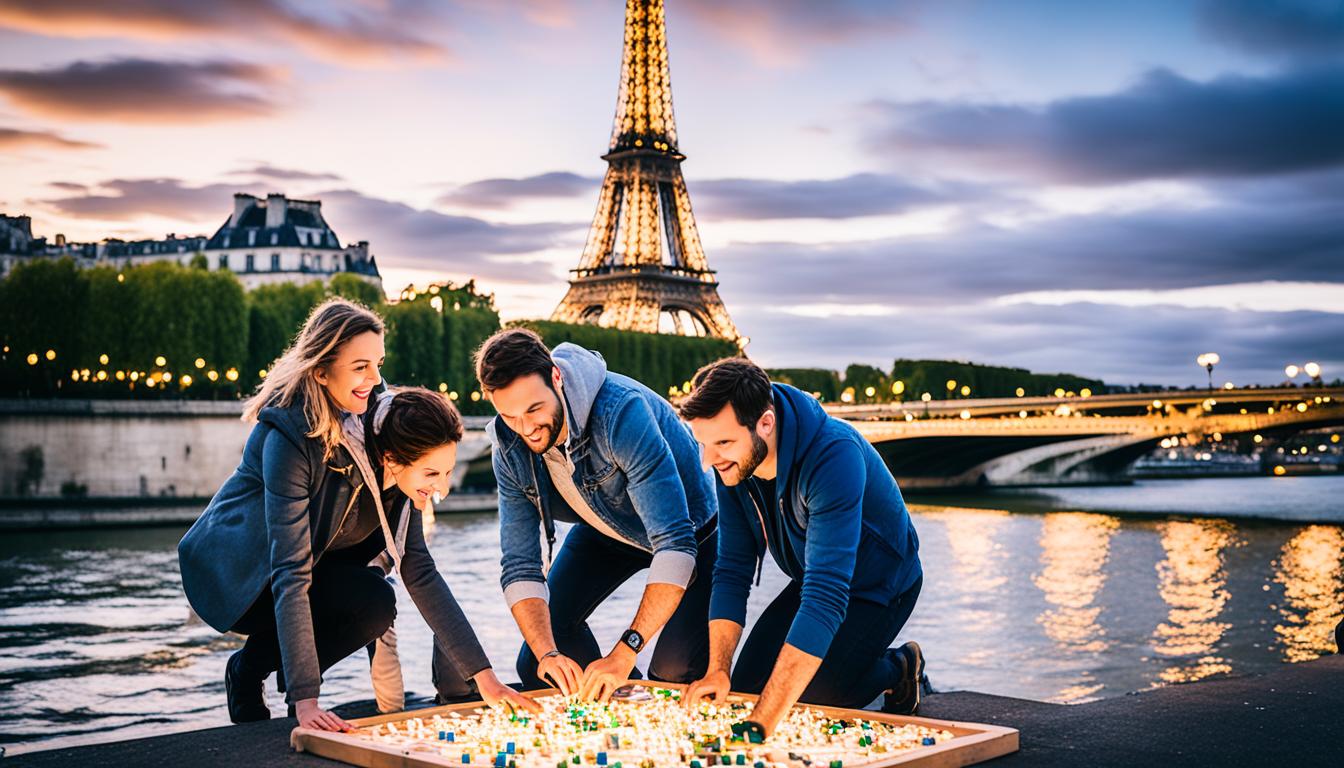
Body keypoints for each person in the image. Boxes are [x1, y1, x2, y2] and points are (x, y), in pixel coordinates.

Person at [178, 298, 537, 731]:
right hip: (242, 572)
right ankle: (249, 671)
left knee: (373, 602)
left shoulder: (388, 430)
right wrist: (308, 699)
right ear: (321, 369)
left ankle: (272, 675)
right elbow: (291, 572)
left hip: (315, 559)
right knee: (351, 597)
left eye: (378, 364)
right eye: (360, 366)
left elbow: (418, 570)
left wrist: (487, 679)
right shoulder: (290, 436)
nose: (375, 378)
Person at [678, 357, 925, 737]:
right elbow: (731, 570)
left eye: (723, 443)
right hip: (815, 577)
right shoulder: (733, 466)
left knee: (819, 695)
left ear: (765, 423)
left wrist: (761, 722)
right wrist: (718, 670)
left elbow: (826, 597)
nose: (709, 460)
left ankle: (900, 667)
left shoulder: (833, 456)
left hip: (882, 585)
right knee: (744, 688)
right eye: (703, 444)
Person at [475, 328, 717, 702]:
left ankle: (642, 695)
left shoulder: (620, 413)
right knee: (536, 664)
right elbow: (520, 565)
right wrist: (547, 654)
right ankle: (628, 707)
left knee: (673, 673)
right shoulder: (508, 447)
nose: (525, 429)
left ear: (556, 377)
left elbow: (675, 544)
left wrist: (625, 651)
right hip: (606, 527)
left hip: (694, 531)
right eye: (509, 416)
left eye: (534, 409)